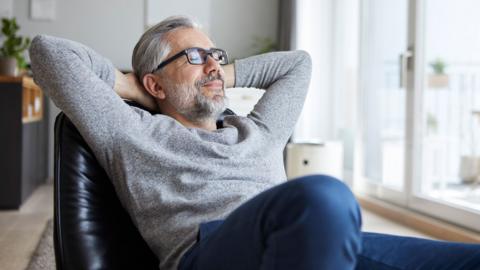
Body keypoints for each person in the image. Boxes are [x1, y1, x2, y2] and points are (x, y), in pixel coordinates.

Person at [29, 16, 480, 270]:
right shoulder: (133, 133)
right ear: (155, 84)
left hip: (307, 243)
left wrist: (209, 74)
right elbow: (49, 52)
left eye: (216, 56)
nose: (212, 65)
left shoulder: (257, 131)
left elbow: (297, 64)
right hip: (212, 251)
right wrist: (134, 88)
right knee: (322, 197)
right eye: (193, 56)